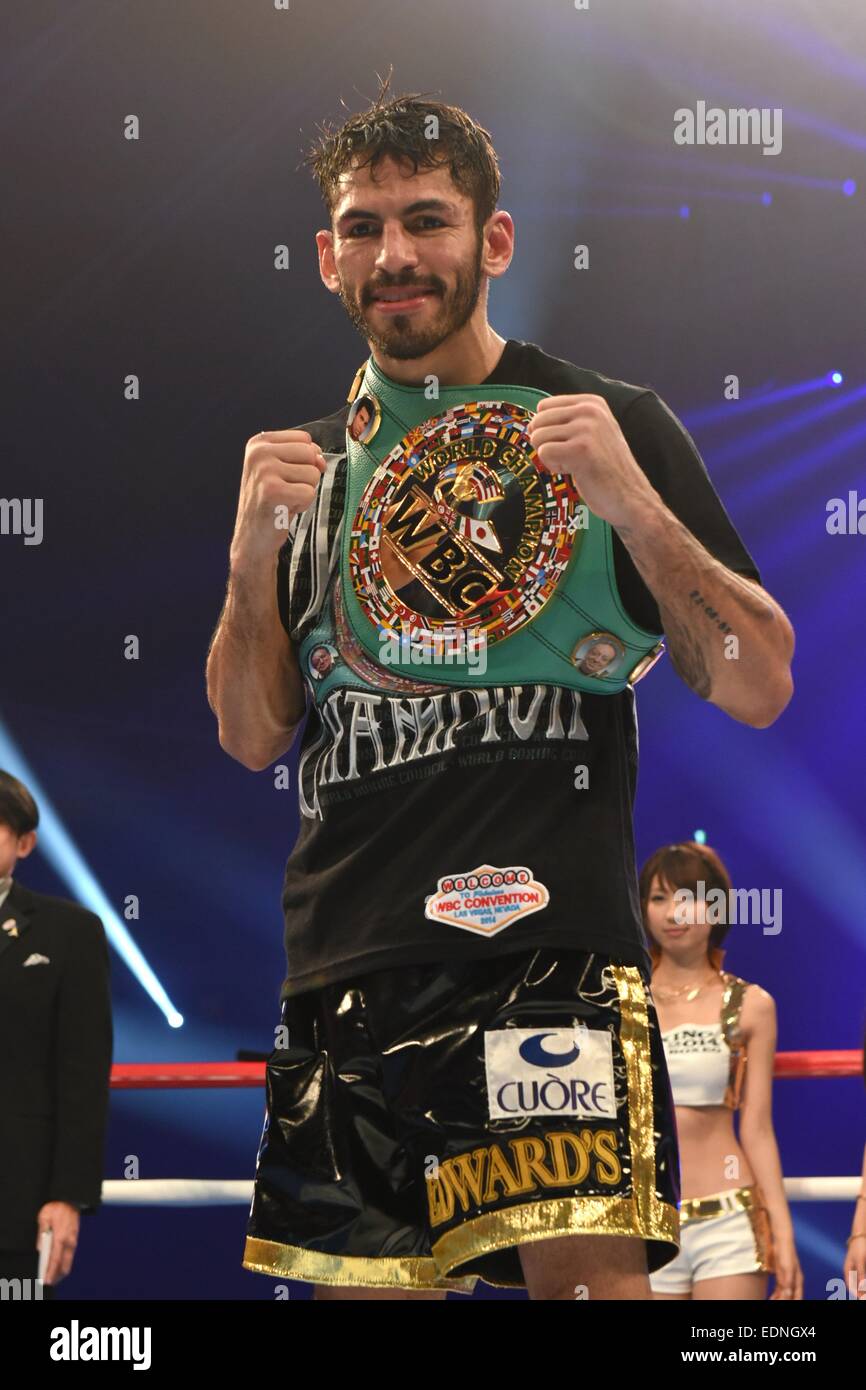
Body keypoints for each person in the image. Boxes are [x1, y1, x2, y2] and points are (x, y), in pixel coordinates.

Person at [206, 79, 795, 1301]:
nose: (395, 254)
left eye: (426, 220)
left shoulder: (604, 422)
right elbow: (251, 728)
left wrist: (628, 497)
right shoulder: (300, 471)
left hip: (545, 958)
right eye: (364, 227)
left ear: (494, 239)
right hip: (349, 964)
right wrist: (247, 560)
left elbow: (756, 683)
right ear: (325, 258)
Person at [640, 840, 803, 1300]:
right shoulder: (621, 1001)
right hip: (647, 1221)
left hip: (730, 1219)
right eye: (658, 898)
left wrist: (783, 1233)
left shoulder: (752, 1005)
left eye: (688, 897)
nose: (673, 913)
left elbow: (757, 1128)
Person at [0, 771, 112, 1296]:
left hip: (15, 1208)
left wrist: (68, 1195)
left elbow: (83, 1075)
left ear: (25, 843)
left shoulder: (70, 933)